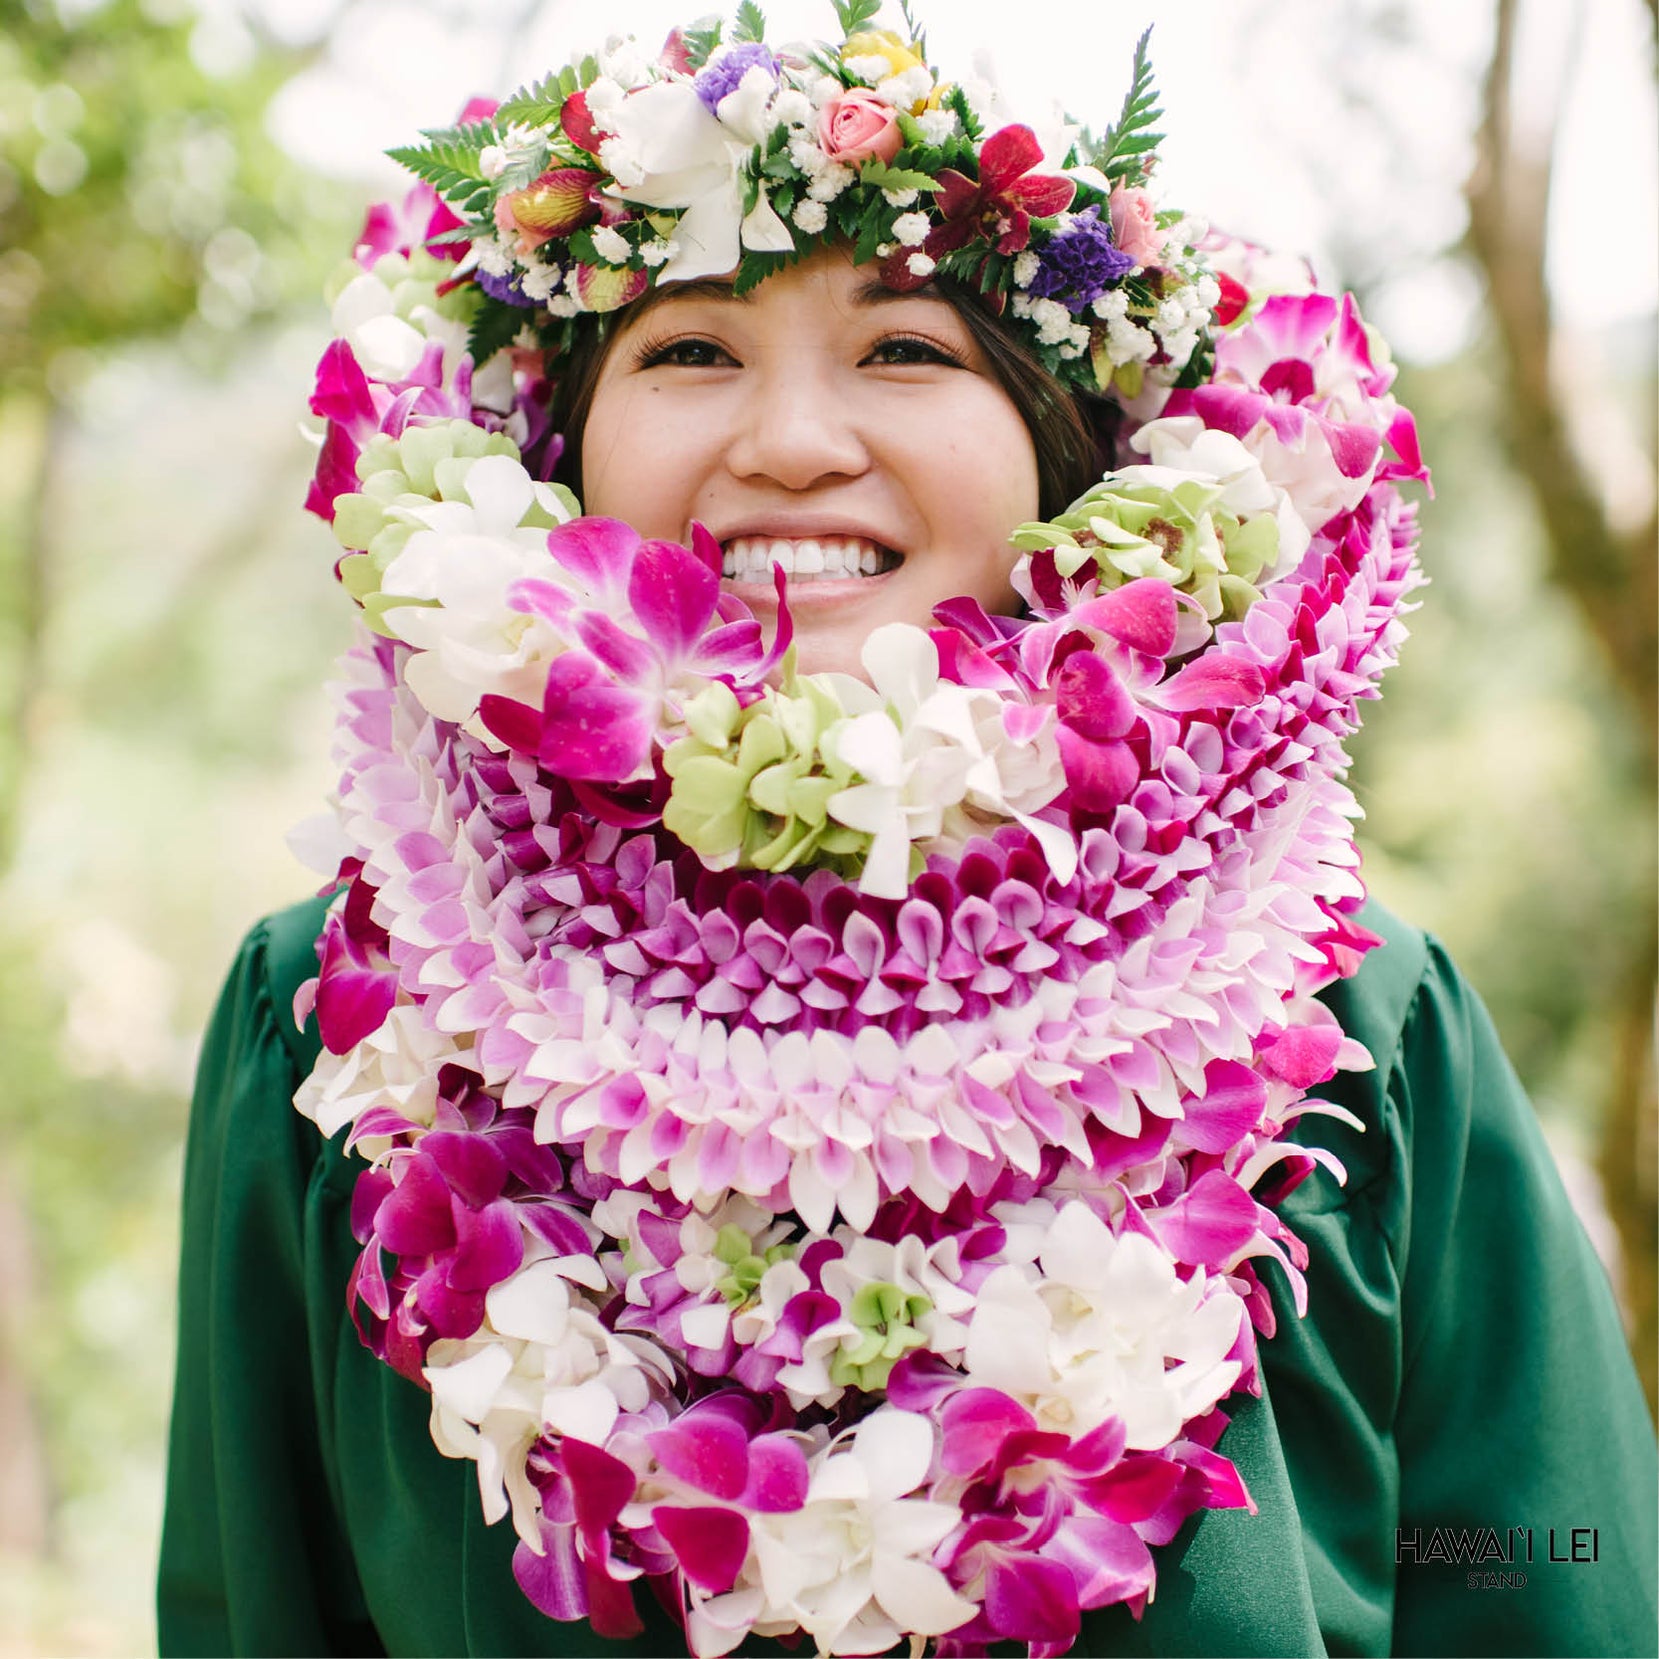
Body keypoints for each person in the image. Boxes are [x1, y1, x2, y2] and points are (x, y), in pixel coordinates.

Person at [158, 9, 1659, 1657]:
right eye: (688, 351)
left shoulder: (1357, 1030)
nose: (794, 443)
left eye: (907, 350)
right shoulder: (340, 1031)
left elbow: (1532, 1579)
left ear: (1070, 457)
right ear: (546, 462)